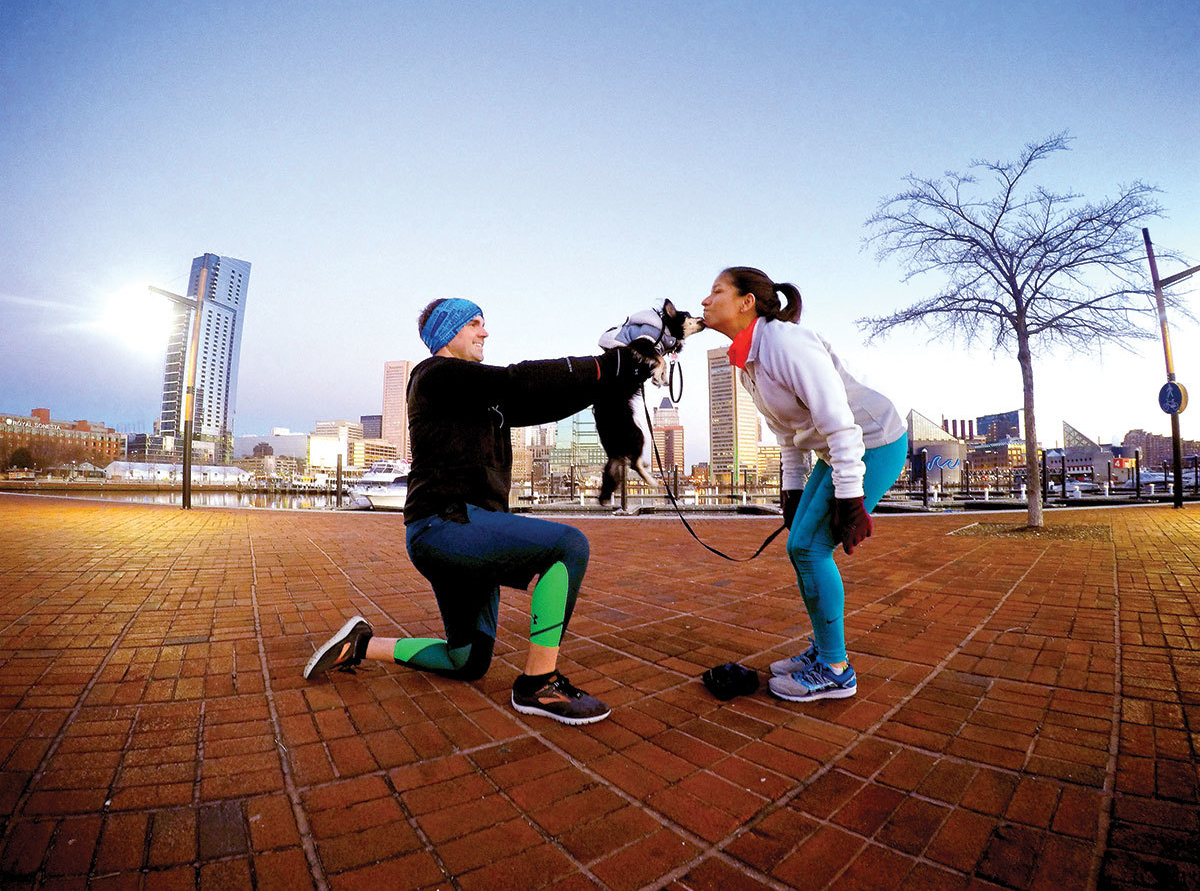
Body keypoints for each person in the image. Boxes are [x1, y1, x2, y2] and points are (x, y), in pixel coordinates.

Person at [303, 297, 650, 725]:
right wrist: (605, 364)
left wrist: (616, 377)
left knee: (467, 660)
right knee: (568, 547)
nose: (485, 332)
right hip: (446, 525)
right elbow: (517, 380)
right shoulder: (436, 375)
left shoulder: (477, 398)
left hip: (461, 531)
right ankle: (538, 684)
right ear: (448, 333)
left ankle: (359, 646)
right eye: (474, 323)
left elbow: (543, 402)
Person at [700, 267, 908, 702]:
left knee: (809, 548)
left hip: (872, 440)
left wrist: (851, 501)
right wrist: (792, 492)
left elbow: (840, 425)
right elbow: (788, 432)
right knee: (801, 544)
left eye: (716, 291)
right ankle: (824, 652)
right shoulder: (749, 365)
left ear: (746, 302)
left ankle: (836, 669)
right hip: (836, 450)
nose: (704, 301)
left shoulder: (787, 344)